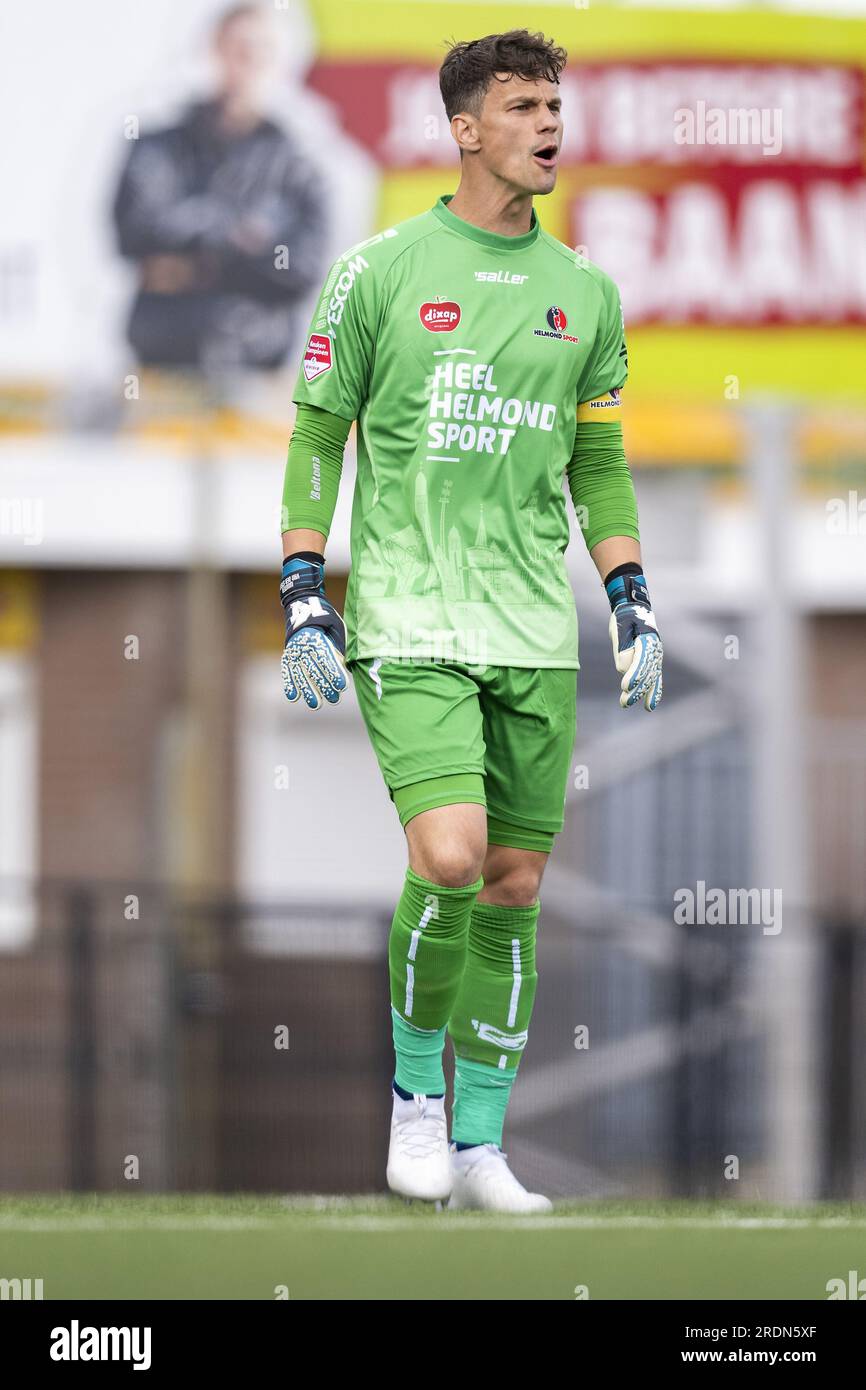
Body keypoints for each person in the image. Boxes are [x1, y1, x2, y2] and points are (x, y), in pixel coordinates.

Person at [278, 29, 663, 1212]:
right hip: (408, 617)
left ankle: (483, 1148)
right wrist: (304, 587)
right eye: (523, 106)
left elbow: (596, 468)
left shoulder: (584, 295)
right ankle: (415, 1102)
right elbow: (314, 433)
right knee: (443, 859)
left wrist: (629, 595)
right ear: (463, 127)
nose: (549, 125)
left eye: (556, 104)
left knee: (509, 885)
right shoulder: (380, 271)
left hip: (530, 633)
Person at [113, 3, 326, 369]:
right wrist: (245, 238)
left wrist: (192, 264)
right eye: (237, 49)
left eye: (261, 51)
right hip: (162, 348)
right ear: (213, 50)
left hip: (257, 360)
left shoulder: (298, 166)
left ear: (280, 63)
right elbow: (135, 233)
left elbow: (304, 268)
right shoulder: (158, 149)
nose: (247, 62)